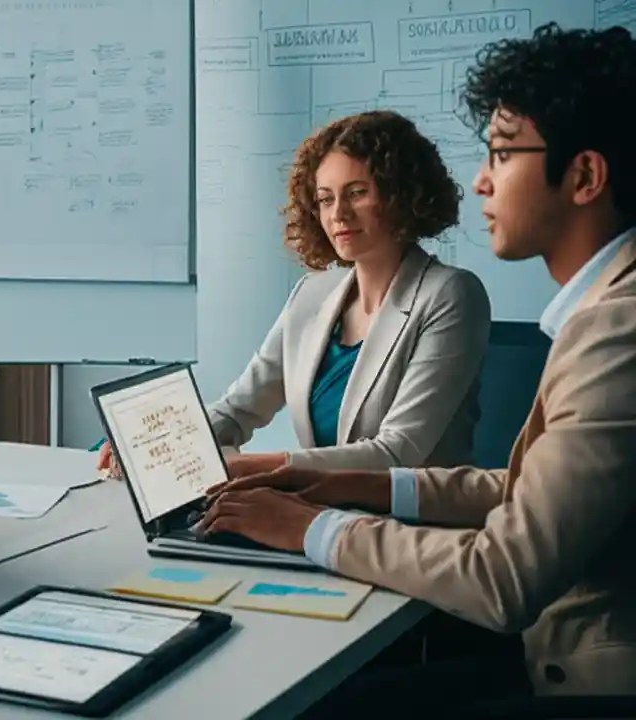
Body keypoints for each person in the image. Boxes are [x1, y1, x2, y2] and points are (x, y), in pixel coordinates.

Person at [200, 24, 636, 711]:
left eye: (501, 155)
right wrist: (324, 484)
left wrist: (304, 522)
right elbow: (520, 488)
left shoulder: (616, 330)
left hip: (580, 683)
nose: (482, 179)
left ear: (583, 176)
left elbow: (503, 577)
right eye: (324, 197)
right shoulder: (599, 315)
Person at [100, 110, 491, 478]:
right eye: (325, 198)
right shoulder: (312, 293)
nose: (338, 213)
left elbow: (395, 453)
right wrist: (151, 444)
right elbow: (239, 410)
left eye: (357, 193)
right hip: (318, 514)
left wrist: (247, 468)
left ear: (403, 195)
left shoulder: (451, 294)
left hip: (410, 530)